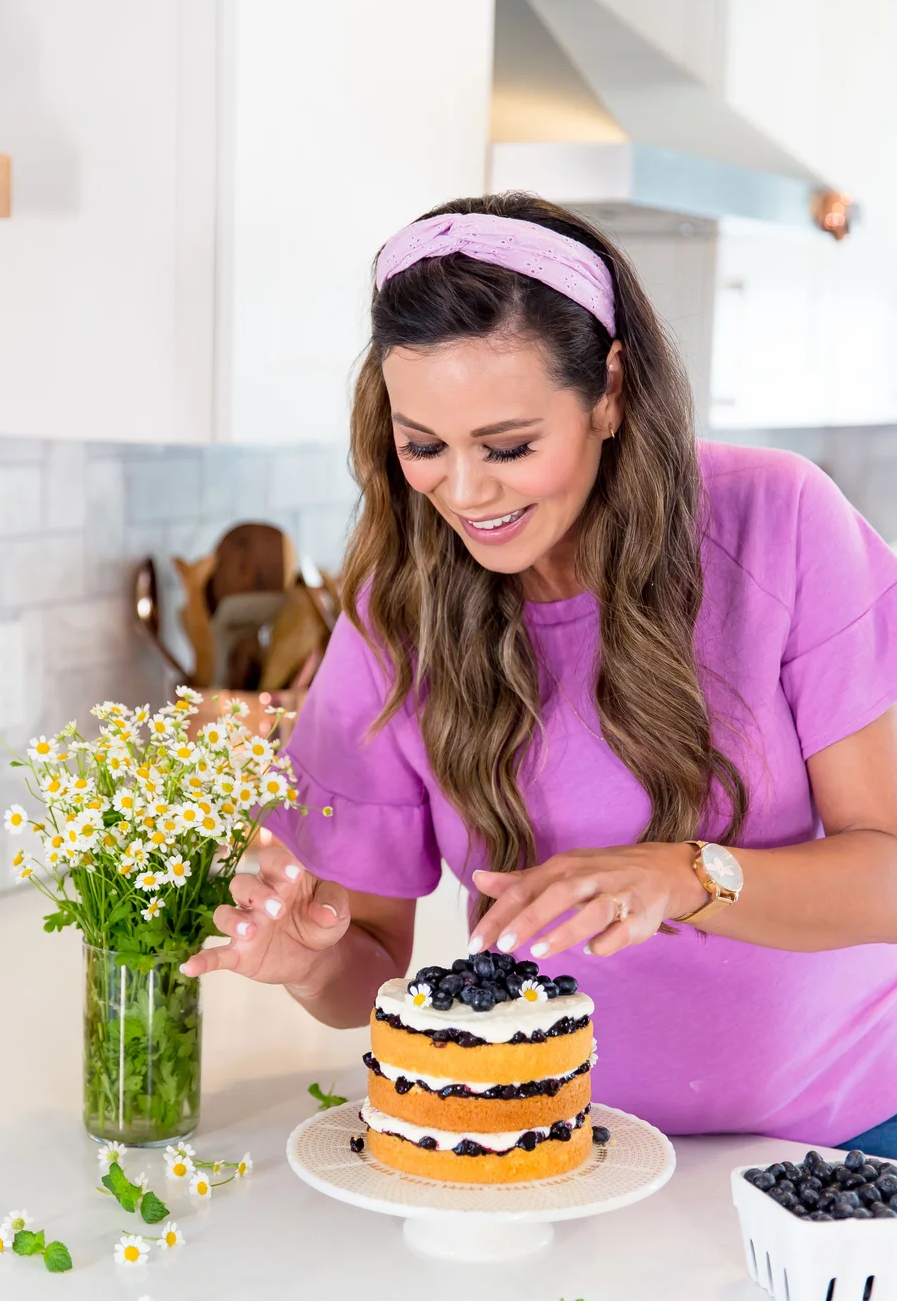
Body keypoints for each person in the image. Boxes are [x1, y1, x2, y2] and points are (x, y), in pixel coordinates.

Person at [182, 192, 897, 1154]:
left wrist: (685, 875)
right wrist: (305, 961)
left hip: (848, 1133)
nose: (466, 492)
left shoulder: (780, 521)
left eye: (510, 446)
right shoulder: (396, 611)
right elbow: (369, 964)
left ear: (609, 391)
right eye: (423, 446)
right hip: (555, 1150)